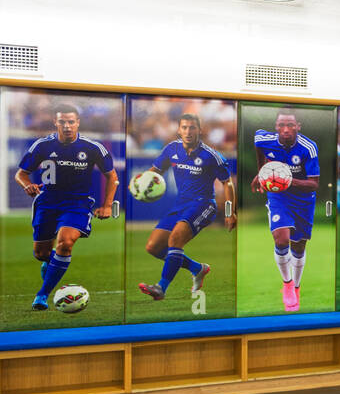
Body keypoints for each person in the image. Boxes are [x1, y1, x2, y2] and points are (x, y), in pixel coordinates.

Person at [14, 104, 119, 310]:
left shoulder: (93, 147)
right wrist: (28, 185)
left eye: (71, 121)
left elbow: (112, 176)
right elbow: (21, 174)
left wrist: (107, 206)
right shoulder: (42, 146)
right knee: (41, 254)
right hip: (47, 202)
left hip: (78, 203)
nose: (67, 126)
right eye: (63, 121)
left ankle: (42, 295)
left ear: (78, 122)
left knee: (65, 242)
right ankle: (50, 263)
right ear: (56, 122)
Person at [137, 113, 237, 300]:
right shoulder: (171, 149)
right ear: (178, 130)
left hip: (204, 204)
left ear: (200, 130)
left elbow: (227, 183)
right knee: (153, 247)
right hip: (180, 205)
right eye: (184, 127)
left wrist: (230, 212)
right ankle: (197, 268)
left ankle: (160, 288)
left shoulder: (212, 156)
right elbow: (155, 171)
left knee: (175, 240)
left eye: (192, 127)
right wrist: (139, 183)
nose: (188, 131)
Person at [252, 110, 320, 312]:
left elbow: (314, 184)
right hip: (279, 196)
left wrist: (287, 179)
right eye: (282, 125)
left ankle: (297, 287)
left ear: (298, 126)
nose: (286, 129)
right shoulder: (264, 140)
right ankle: (288, 284)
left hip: (303, 200)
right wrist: (262, 173)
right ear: (276, 127)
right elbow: (258, 145)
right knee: (281, 239)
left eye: (290, 125)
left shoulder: (309, 147)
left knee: (298, 247)